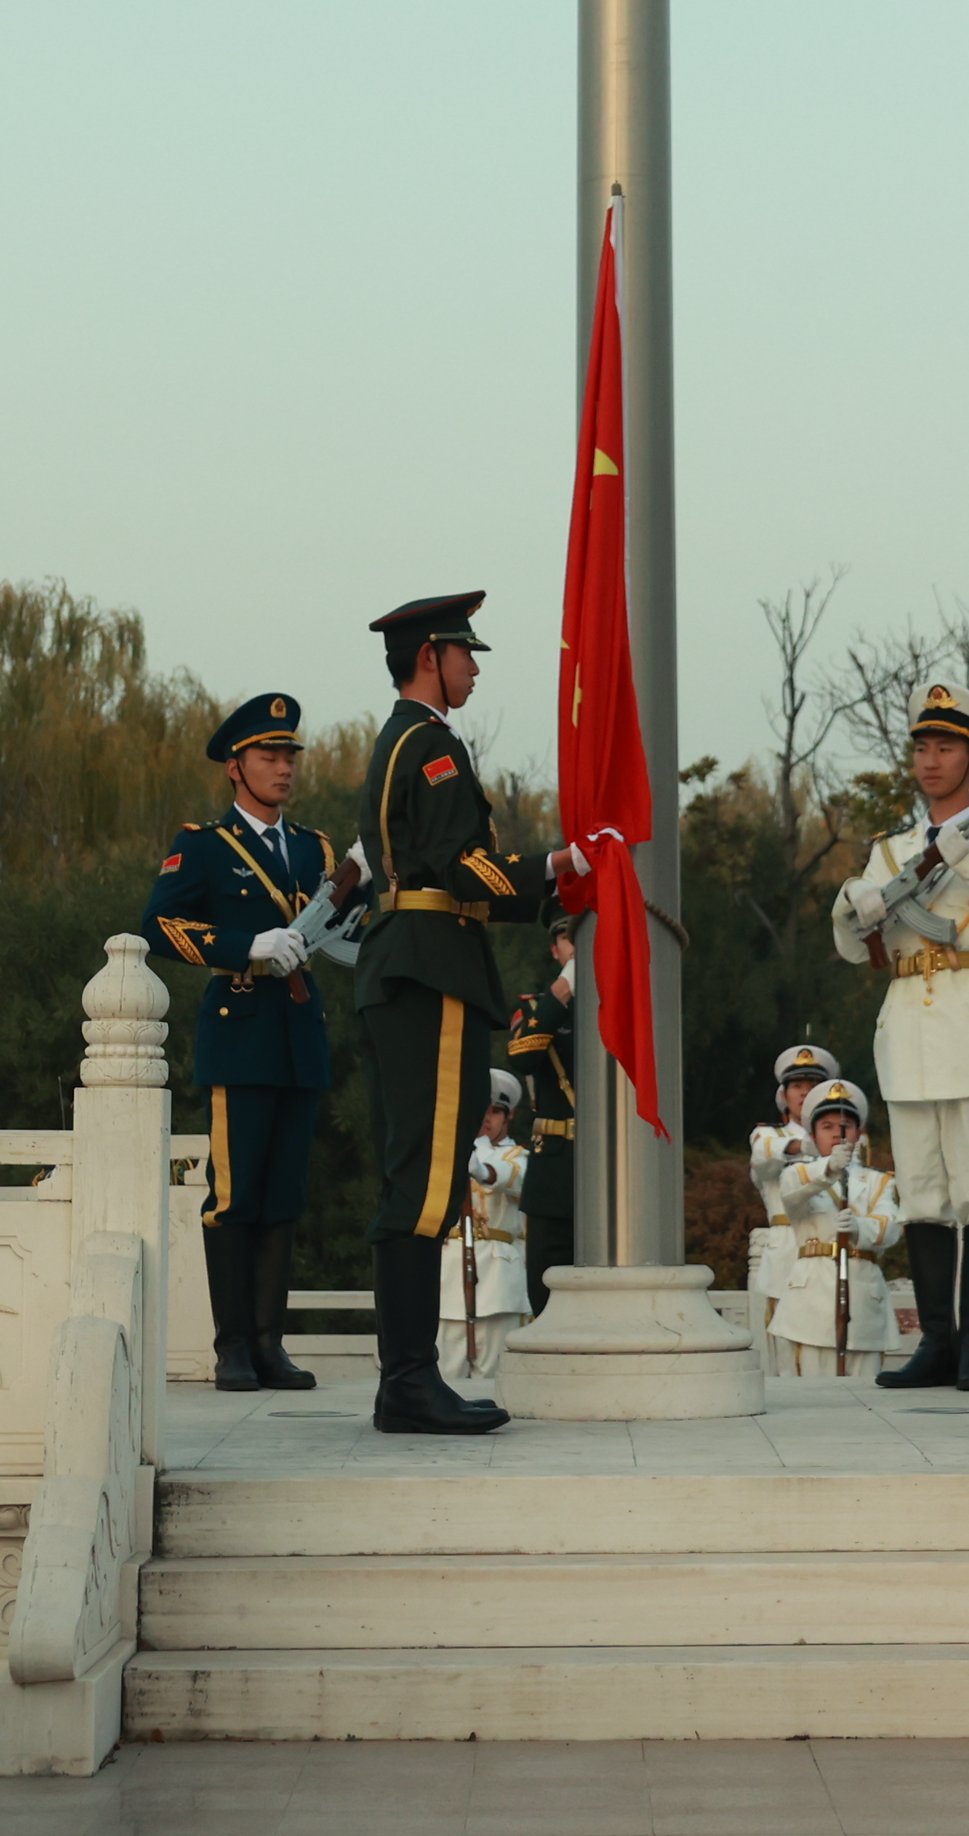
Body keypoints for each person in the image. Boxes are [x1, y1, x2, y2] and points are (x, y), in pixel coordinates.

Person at [354, 591, 592, 1436]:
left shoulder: (403, 740)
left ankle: (406, 1380)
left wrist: (531, 878)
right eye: (465, 653)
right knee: (425, 1180)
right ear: (430, 657)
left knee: (415, 1174)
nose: (474, 667)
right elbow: (461, 867)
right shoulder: (432, 746)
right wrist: (553, 866)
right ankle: (411, 1381)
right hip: (431, 968)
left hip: (411, 961)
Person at [830, 682, 969, 1393]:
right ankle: (937, 1340)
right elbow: (851, 941)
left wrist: (968, 860)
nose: (931, 760)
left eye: (946, 748)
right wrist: (852, 905)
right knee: (922, 1193)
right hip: (909, 1028)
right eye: (923, 747)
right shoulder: (888, 850)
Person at [143, 692, 362, 1394]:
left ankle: (271, 1345)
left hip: (299, 1037)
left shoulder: (314, 849)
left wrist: (358, 892)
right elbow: (159, 927)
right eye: (269, 756)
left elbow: (342, 934)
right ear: (235, 766)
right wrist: (245, 945)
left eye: (290, 755)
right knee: (232, 1199)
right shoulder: (202, 847)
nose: (284, 768)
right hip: (240, 1033)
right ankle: (232, 1346)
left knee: (283, 1197)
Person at [769, 1079, 900, 1377]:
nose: (837, 1133)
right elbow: (793, 1194)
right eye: (826, 1127)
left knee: (865, 1396)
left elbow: (890, 1228)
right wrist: (828, 1169)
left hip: (864, 1301)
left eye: (845, 1126)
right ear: (813, 1135)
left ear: (859, 1134)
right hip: (811, 1302)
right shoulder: (798, 1173)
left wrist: (859, 1228)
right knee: (810, 1394)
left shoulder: (879, 1181)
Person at [744, 1043, 841, 1377]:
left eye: (813, 1086)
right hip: (788, 1247)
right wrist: (807, 1146)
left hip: (833, 1249)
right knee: (786, 1348)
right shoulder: (769, 1135)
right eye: (797, 1086)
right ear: (783, 1096)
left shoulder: (848, 1140)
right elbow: (763, 1157)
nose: (805, 1093)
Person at [504, 914, 582, 1291]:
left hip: (615, 1167)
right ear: (556, 950)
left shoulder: (626, 1005)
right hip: (556, 1170)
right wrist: (565, 988)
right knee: (547, 1291)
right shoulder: (540, 1008)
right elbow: (522, 1057)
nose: (580, 948)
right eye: (571, 940)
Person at [442, 1070, 534, 1376]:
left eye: (495, 1111)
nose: (486, 1118)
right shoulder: (445, 1154)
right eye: (480, 1110)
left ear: (510, 1115)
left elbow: (517, 1179)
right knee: (445, 1369)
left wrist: (483, 1170)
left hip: (498, 1280)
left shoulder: (519, 1156)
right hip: (448, 1276)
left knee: (495, 1374)